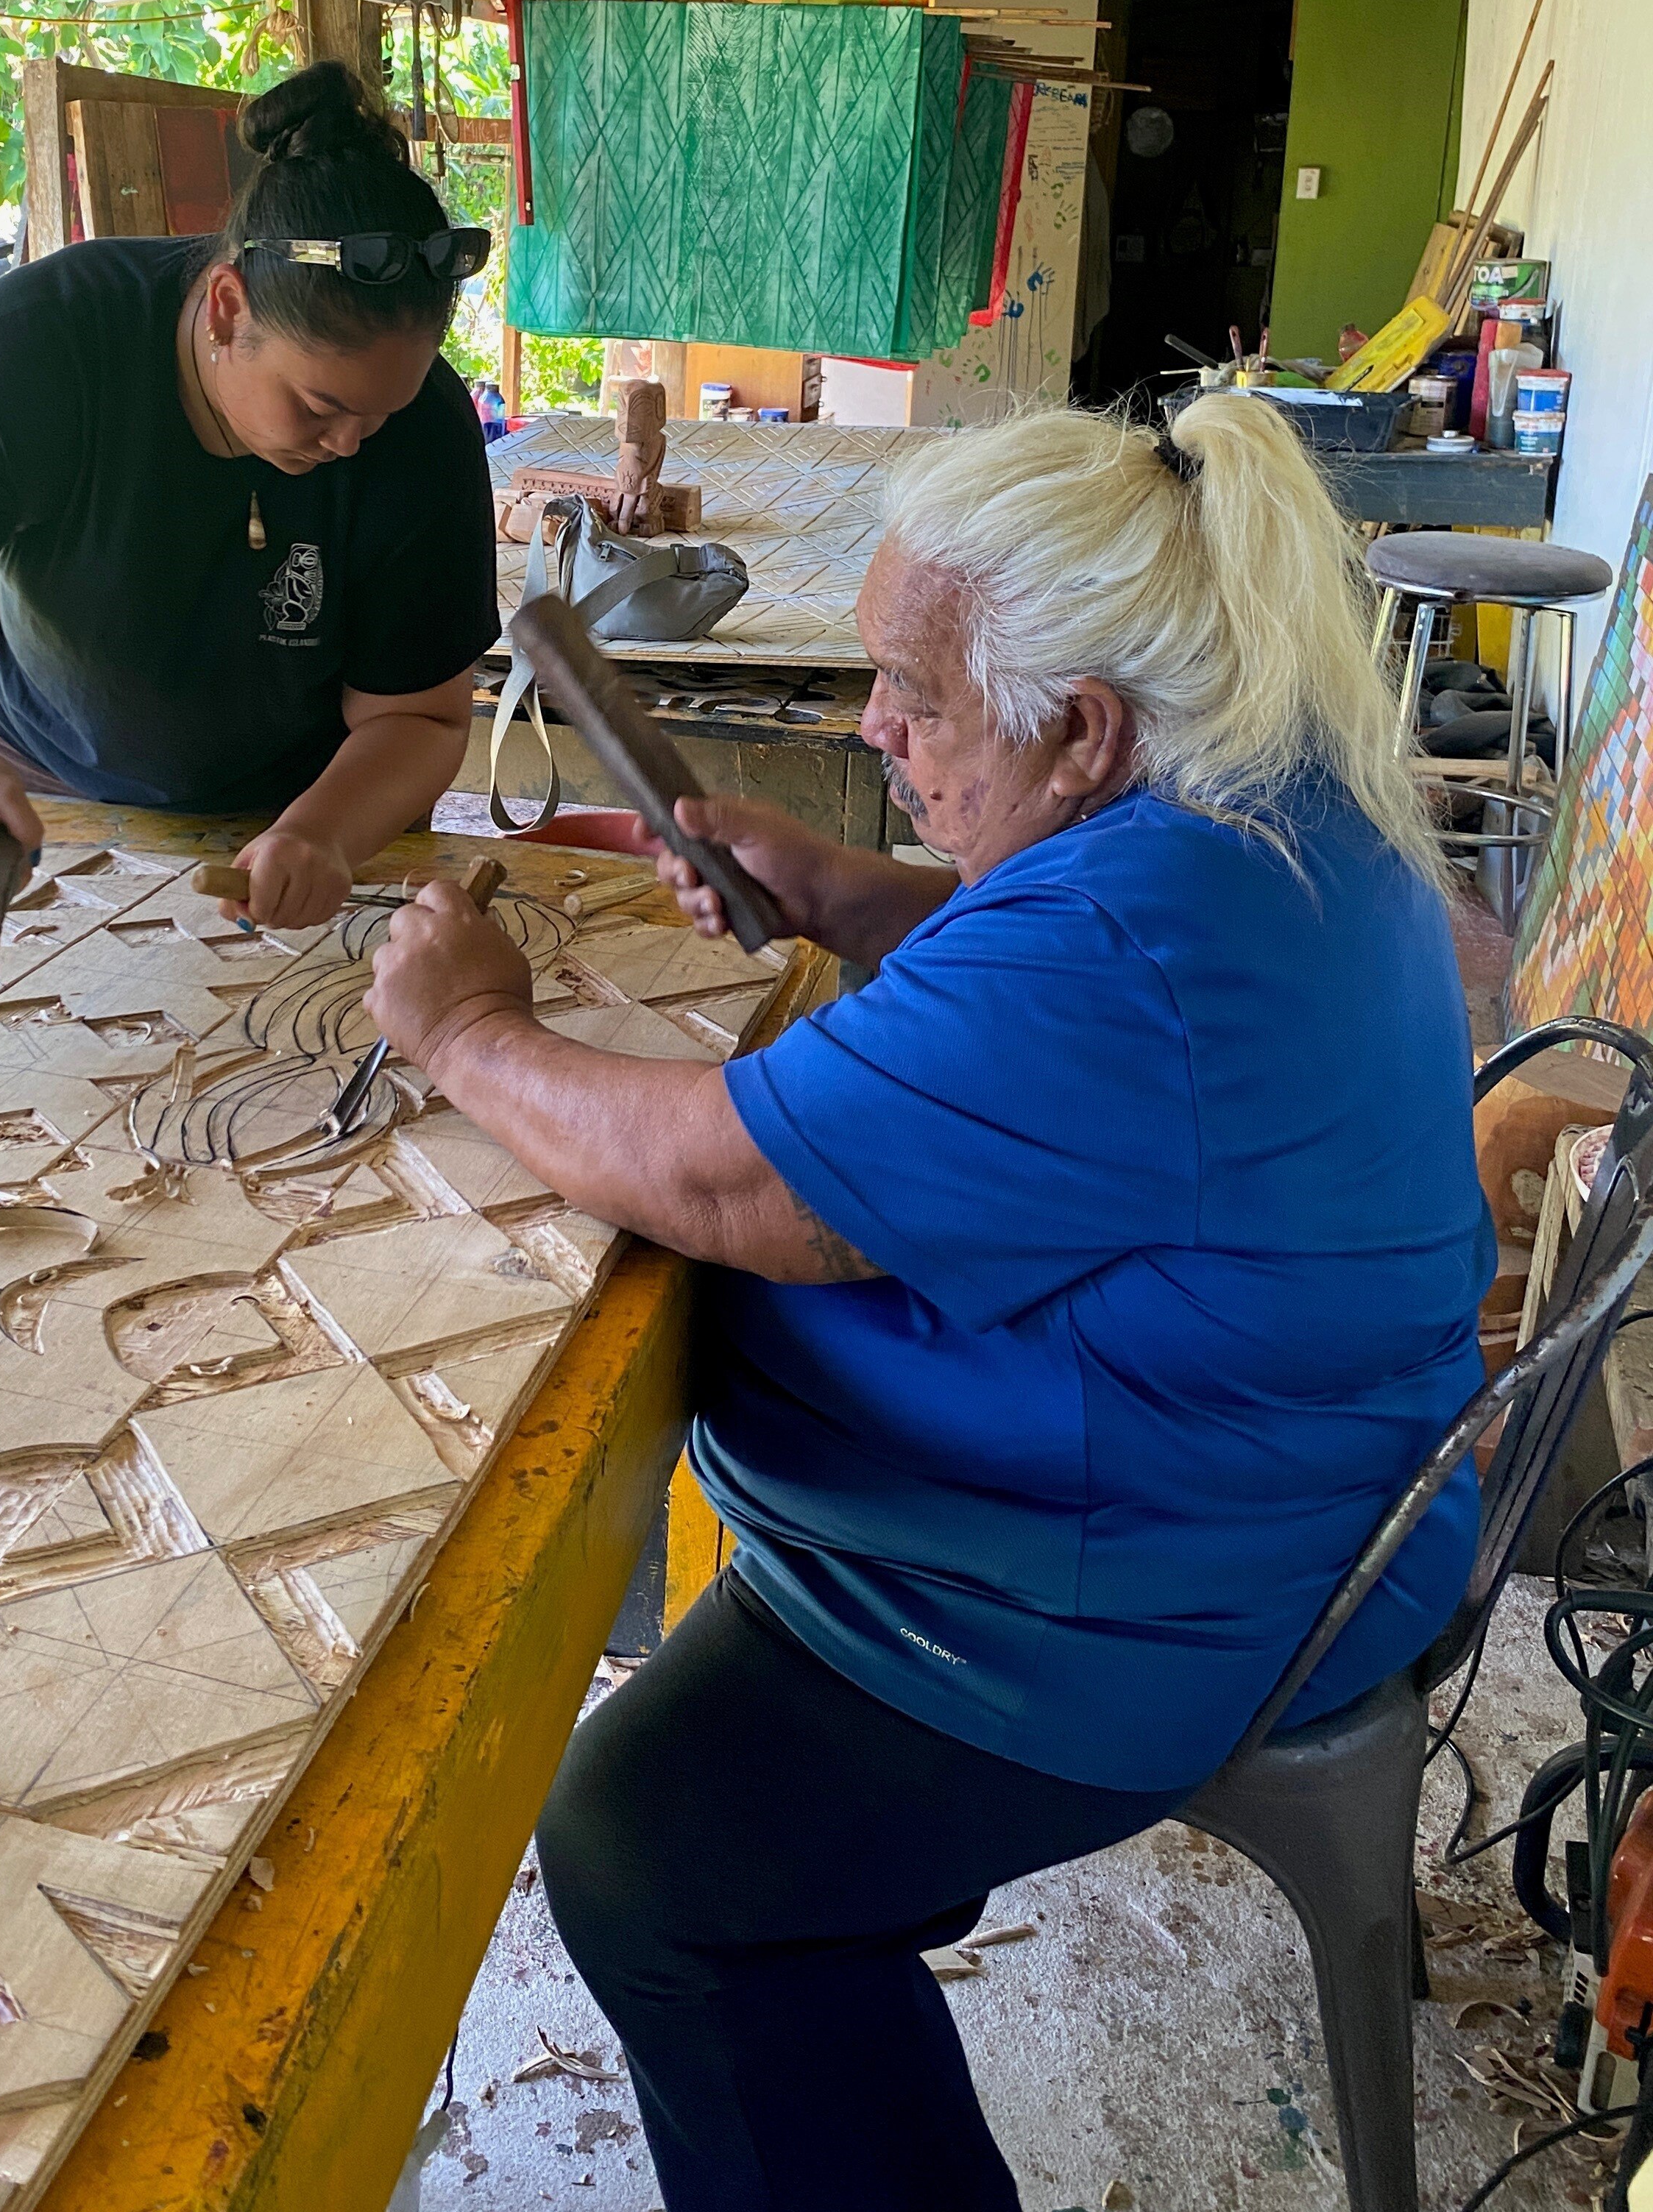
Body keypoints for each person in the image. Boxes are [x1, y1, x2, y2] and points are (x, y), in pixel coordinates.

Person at [363, 394, 1490, 2210]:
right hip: (1319, 1480)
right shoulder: (1264, 789)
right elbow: (1093, 1000)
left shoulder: (1128, 942)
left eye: (916, 694)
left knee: (655, 1854)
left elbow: (737, 1185)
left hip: (1188, 1580)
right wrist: (866, 898)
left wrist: (470, 1030)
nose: (874, 727)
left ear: (1087, 729)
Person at [0, 63, 500, 925]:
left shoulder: (421, 429)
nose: (351, 444)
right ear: (228, 308)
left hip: (315, 820)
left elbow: (418, 719)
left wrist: (321, 835)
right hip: (43, 796)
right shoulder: (41, 352)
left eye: (380, 413)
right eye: (322, 406)